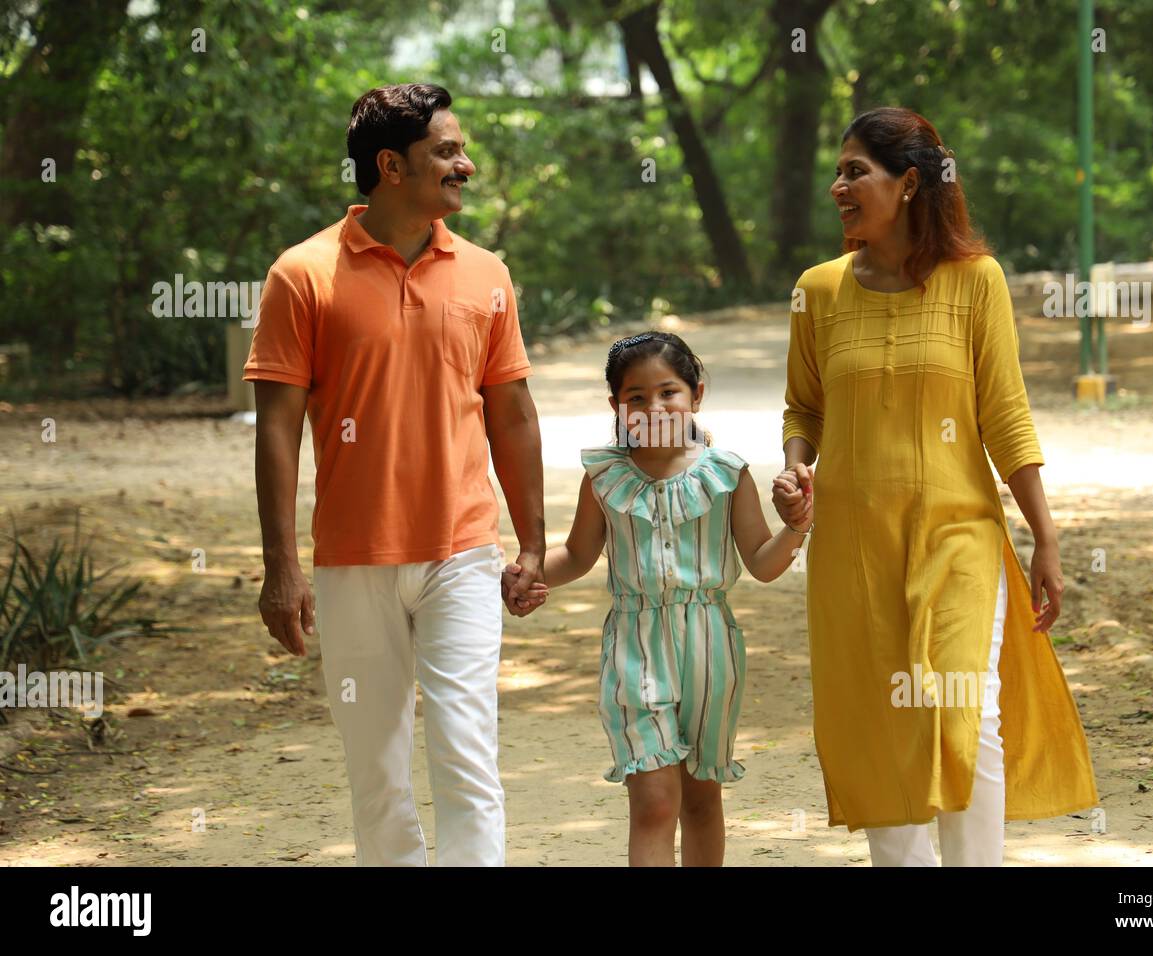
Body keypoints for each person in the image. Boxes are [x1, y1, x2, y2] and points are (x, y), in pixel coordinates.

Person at [773, 106, 1098, 866]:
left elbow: (1006, 417)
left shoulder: (975, 282)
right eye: (839, 171)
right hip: (853, 546)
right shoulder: (816, 291)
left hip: (959, 537)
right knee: (882, 728)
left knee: (962, 712)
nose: (838, 187)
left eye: (856, 171)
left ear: (910, 183)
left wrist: (1045, 538)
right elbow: (805, 407)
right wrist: (797, 467)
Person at [243, 83, 546, 866]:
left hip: (464, 553)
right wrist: (281, 568)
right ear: (390, 166)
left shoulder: (486, 274)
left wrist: (534, 545)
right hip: (352, 561)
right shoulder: (302, 275)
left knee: (467, 753)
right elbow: (277, 430)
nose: (466, 165)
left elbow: (511, 413)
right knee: (376, 773)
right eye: (446, 151)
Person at [504, 331, 812, 866]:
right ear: (616, 407)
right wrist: (530, 573)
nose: (654, 406)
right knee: (653, 801)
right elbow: (577, 554)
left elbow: (762, 562)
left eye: (668, 391)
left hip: (712, 649)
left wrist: (795, 529)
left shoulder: (726, 473)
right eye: (636, 397)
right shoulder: (603, 478)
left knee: (700, 798)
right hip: (634, 646)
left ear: (695, 394)